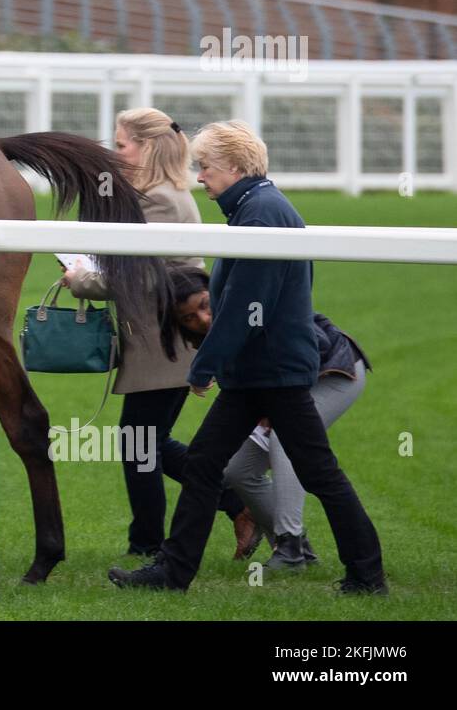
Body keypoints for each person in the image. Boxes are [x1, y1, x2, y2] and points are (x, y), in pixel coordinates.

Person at [109, 120, 387, 595]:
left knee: (319, 473)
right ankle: (171, 574)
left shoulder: (260, 213)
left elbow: (244, 310)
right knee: (202, 463)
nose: (200, 177)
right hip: (261, 372)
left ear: (235, 167)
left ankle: (367, 575)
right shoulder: (255, 207)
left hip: (273, 374)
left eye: (207, 167)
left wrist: (204, 367)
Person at [62, 108, 258, 560]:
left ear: (146, 147)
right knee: (146, 442)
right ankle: (233, 507)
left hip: (166, 342)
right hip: (163, 340)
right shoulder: (160, 195)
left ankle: (150, 542)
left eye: (122, 144)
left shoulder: (163, 200)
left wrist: (83, 281)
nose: (115, 153)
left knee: (138, 444)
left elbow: (142, 277)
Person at [170, 264, 373, 573]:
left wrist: (276, 407)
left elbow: (313, 350)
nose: (203, 319)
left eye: (203, 305)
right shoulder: (220, 328)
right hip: (282, 386)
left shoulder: (246, 306)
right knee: (238, 471)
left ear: (213, 292)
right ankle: (300, 549)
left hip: (336, 371)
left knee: (284, 440)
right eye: (189, 318)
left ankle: (289, 547)